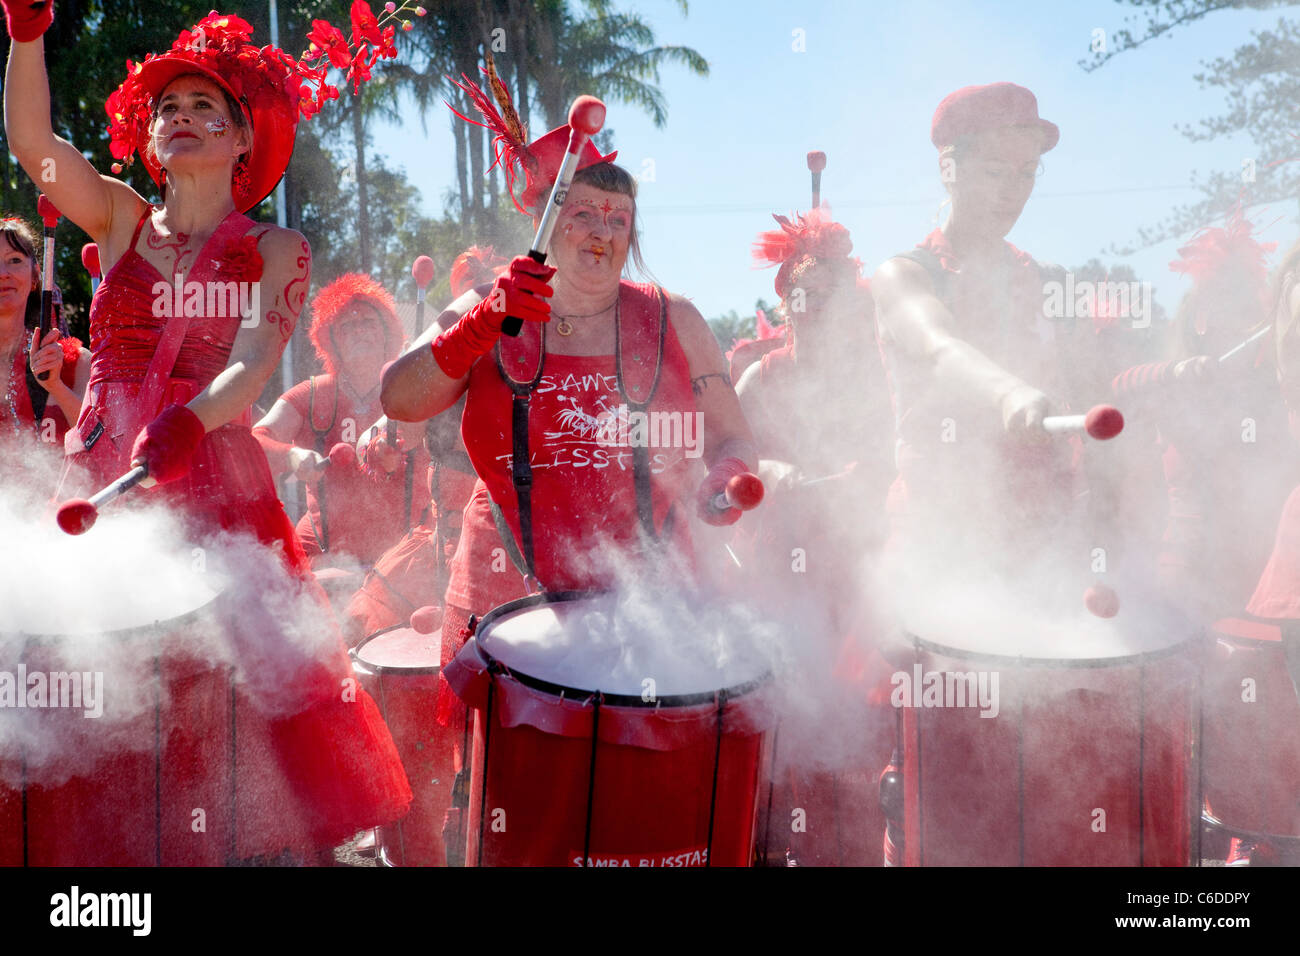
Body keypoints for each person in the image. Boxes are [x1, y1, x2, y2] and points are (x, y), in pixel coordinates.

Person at [3, 6, 411, 862]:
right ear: (149, 141)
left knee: (211, 709)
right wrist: (27, 33)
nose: (180, 116)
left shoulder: (276, 247)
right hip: (103, 486)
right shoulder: (116, 220)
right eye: (167, 108)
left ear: (241, 142)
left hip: (217, 484)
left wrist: (191, 419)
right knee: (93, 684)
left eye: (204, 107)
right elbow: (33, 143)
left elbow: (257, 360)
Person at [381, 68, 758, 862]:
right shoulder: (487, 306)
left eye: (620, 215)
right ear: (545, 222)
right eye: (582, 210)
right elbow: (401, 397)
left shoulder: (676, 318)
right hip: (507, 597)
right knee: (517, 815)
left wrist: (728, 481)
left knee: (650, 820)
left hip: (661, 601)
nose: (603, 229)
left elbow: (733, 441)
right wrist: (485, 320)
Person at [736, 207, 895, 866]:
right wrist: (774, 475)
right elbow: (724, 468)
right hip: (777, 583)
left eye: (831, 298)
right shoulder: (758, 378)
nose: (817, 312)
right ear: (788, 304)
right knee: (778, 738)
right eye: (804, 299)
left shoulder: (879, 386)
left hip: (858, 586)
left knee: (856, 737)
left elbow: (901, 469)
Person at [253, 273, 429, 569]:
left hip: (409, 565)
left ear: (387, 332)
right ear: (331, 341)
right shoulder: (310, 394)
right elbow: (255, 442)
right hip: (323, 560)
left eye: (368, 322)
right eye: (347, 326)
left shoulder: (418, 387)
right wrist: (292, 456)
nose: (359, 331)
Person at [0, 216, 88, 448]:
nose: (2, 273)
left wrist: (55, 386)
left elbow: (102, 444)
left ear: (35, 277)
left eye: (15, 260)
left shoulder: (75, 362)